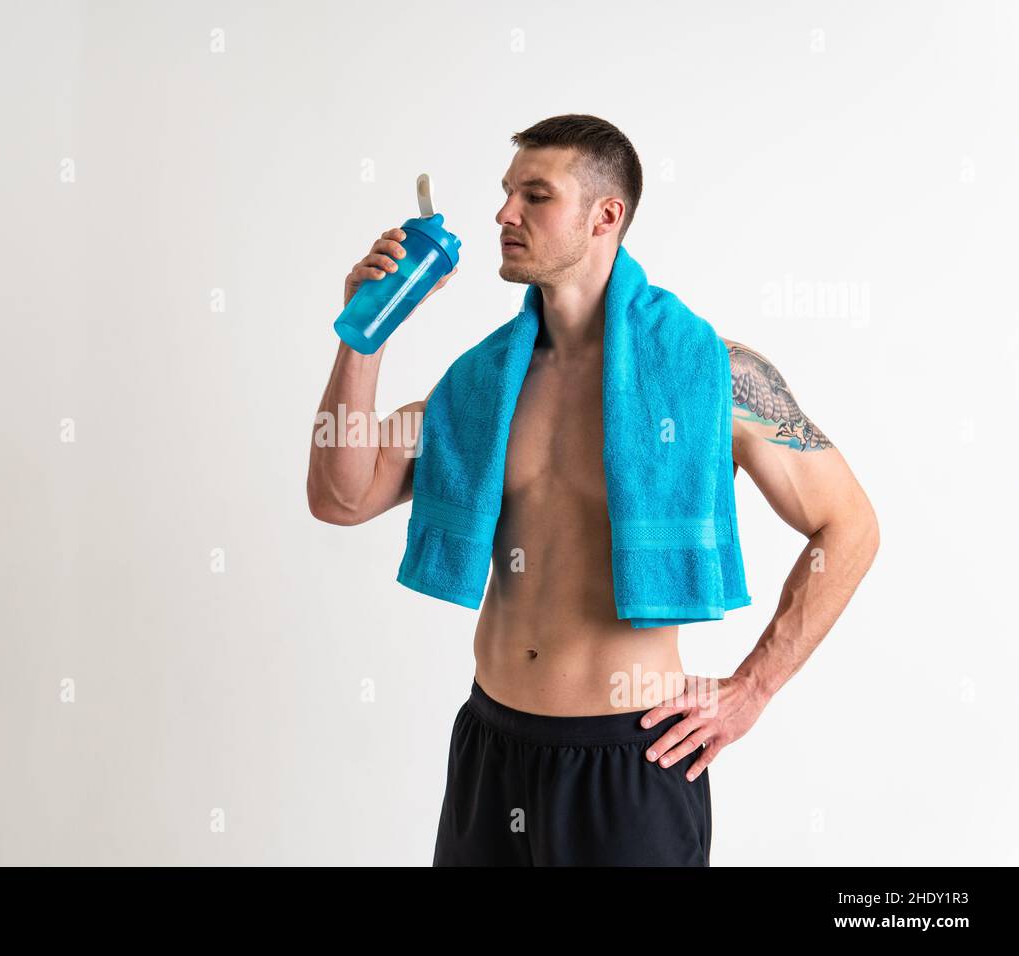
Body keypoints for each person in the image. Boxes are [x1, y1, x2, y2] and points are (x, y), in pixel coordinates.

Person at [306, 114, 880, 866]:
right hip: (492, 745)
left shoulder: (713, 376)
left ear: (606, 215)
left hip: (629, 761)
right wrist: (362, 335)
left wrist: (753, 689)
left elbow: (850, 526)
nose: (504, 215)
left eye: (534, 196)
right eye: (507, 193)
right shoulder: (480, 387)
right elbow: (341, 497)